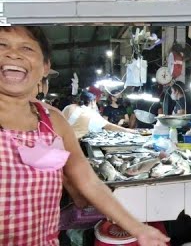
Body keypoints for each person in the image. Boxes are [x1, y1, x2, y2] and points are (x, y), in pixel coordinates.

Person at [0, 26, 169, 246]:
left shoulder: (53, 120)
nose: (13, 53)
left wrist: (138, 228)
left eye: (27, 48)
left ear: (45, 67)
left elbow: (89, 182)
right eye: (2, 45)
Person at [63, 92, 137, 139]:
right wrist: (127, 130)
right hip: (74, 143)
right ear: (92, 102)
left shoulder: (68, 107)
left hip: (60, 140)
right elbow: (108, 126)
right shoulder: (90, 113)